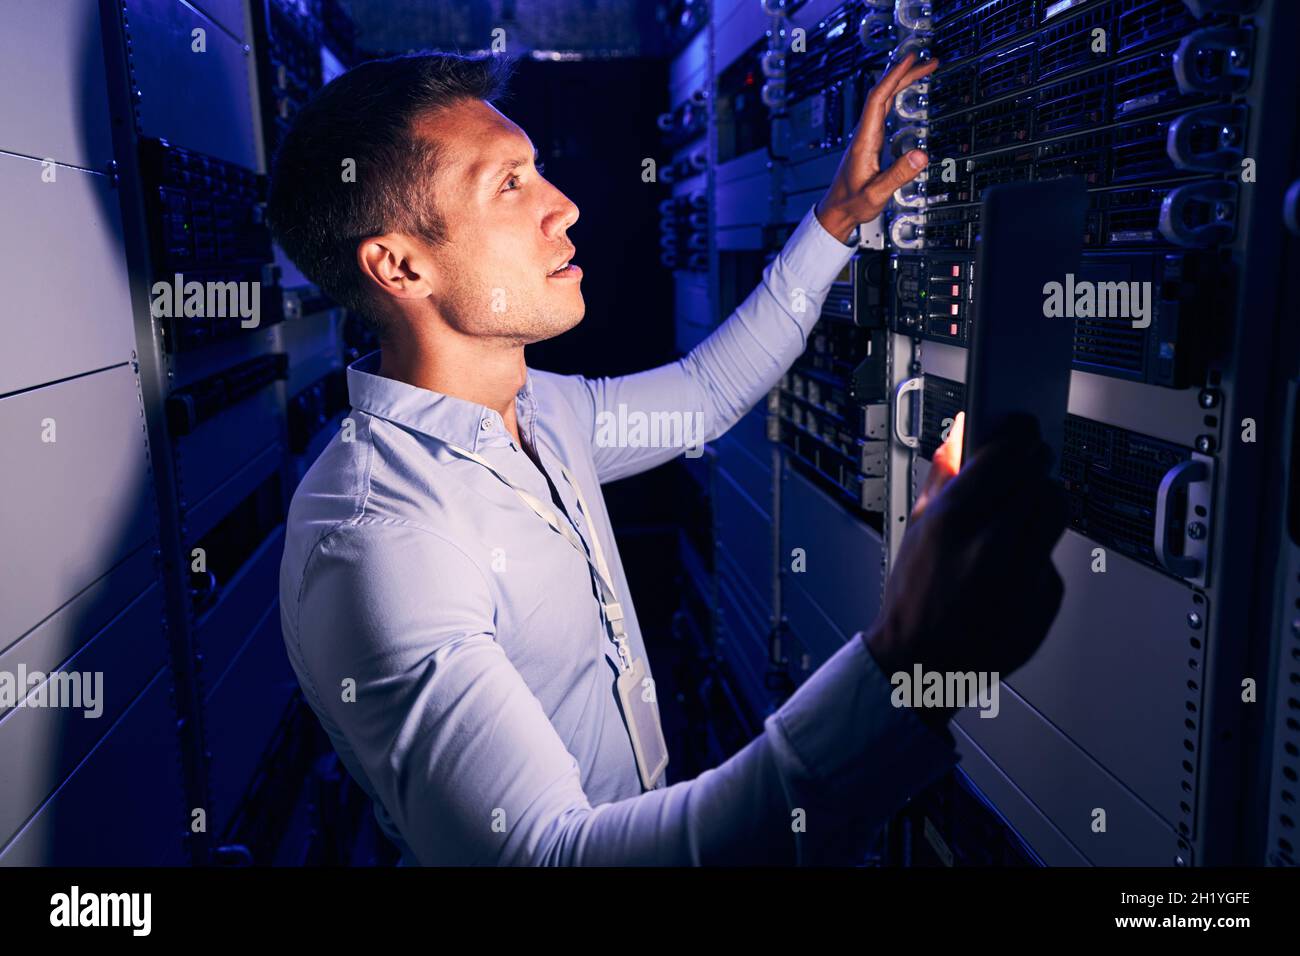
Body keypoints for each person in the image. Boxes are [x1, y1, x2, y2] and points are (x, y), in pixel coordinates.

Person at [268, 49, 1067, 865]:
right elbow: (548, 859)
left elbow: (704, 393)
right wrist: (901, 661)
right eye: (508, 184)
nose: (565, 206)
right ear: (400, 264)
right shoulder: (382, 542)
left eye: (536, 170)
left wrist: (835, 222)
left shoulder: (539, 411)